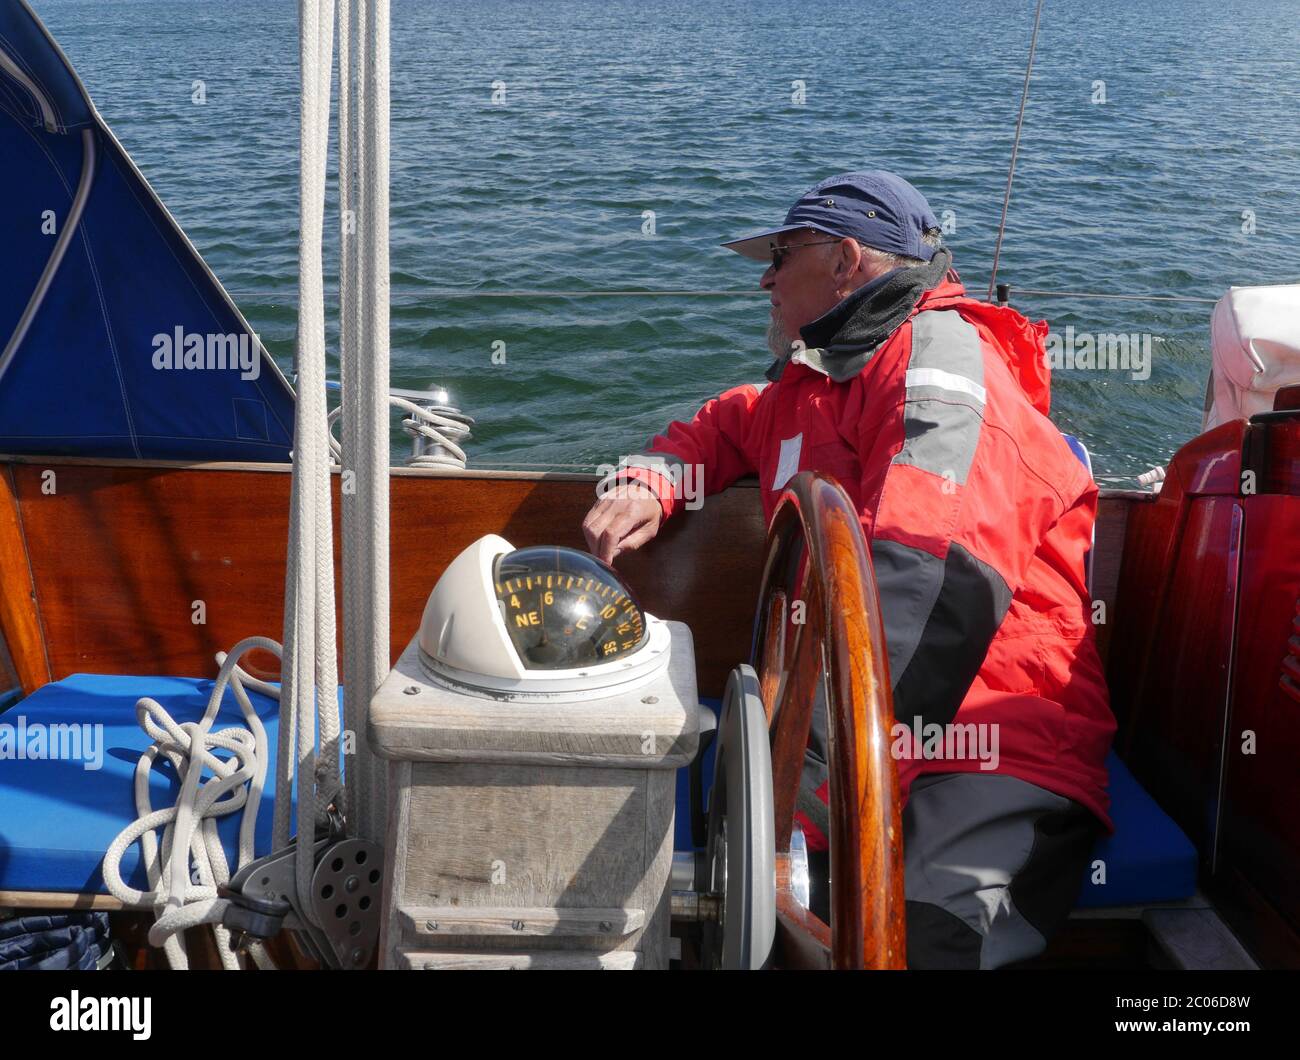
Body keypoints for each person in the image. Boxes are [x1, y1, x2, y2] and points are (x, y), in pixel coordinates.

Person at [582, 171, 1116, 969]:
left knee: (919, 950)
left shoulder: (940, 364)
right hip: (854, 724)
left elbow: (932, 587)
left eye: (780, 254)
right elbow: (725, 423)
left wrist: (811, 760)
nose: (763, 276)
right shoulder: (813, 382)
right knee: (759, 922)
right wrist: (656, 478)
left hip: (991, 740)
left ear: (844, 261)